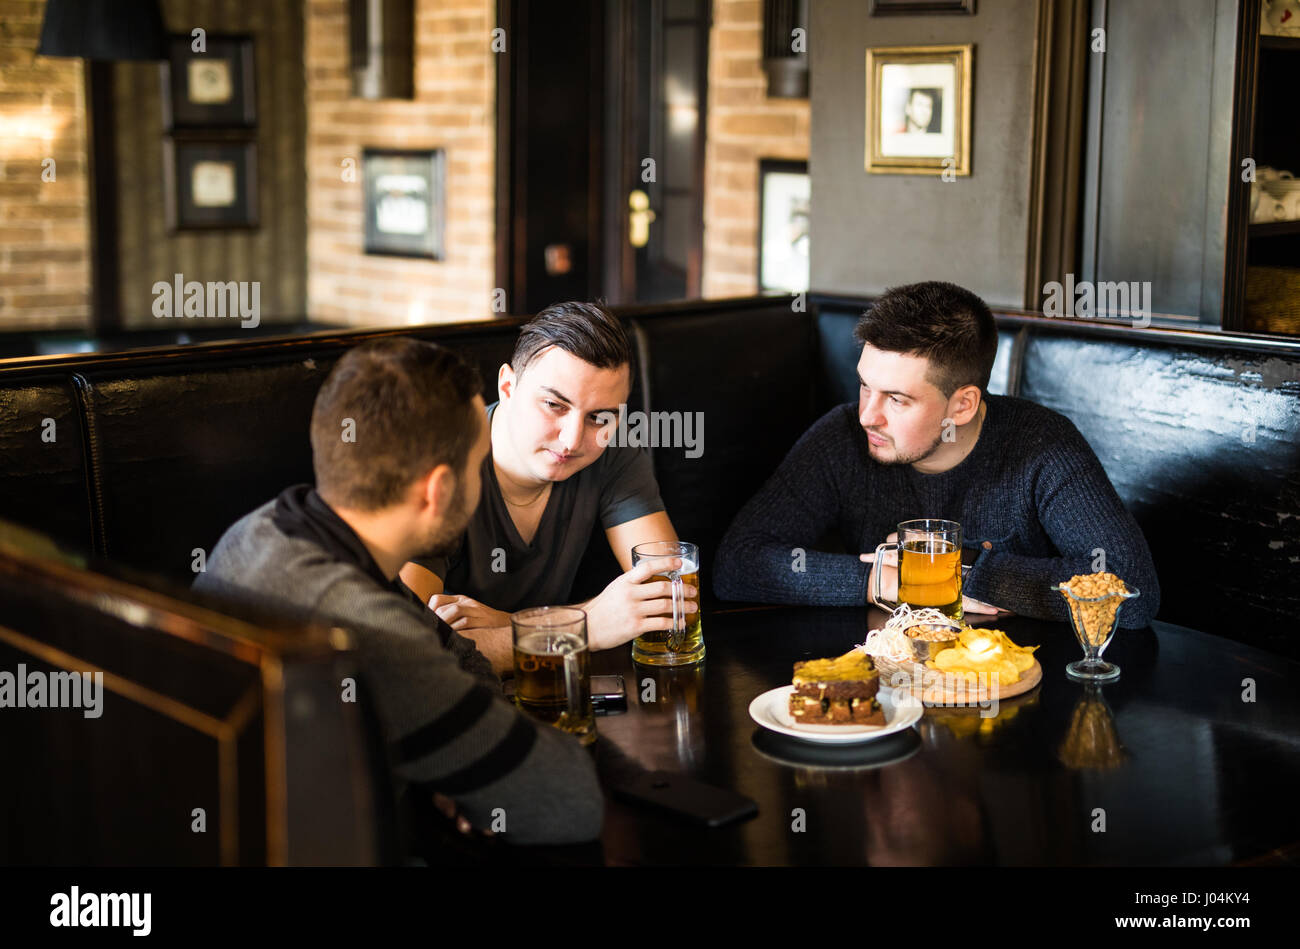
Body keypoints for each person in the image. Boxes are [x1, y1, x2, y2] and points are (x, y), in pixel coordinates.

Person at [193, 338, 603, 846]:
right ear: (439, 491)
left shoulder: (268, 529)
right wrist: (475, 771)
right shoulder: (361, 625)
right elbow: (572, 799)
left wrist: (458, 761)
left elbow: (459, 655)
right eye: (479, 465)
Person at [713, 280, 1161, 627]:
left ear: (961, 405)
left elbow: (1132, 590)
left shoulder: (1042, 445)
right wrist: (882, 580)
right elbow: (737, 564)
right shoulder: (842, 436)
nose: (868, 415)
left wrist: (961, 572)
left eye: (897, 399)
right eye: (865, 385)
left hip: (1016, 691)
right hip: (886, 688)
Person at [399, 301, 694, 672]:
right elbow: (407, 651)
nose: (572, 440)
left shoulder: (614, 448)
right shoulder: (435, 465)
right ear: (507, 386)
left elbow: (671, 601)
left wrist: (510, 625)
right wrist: (586, 627)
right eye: (555, 405)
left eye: (600, 417)